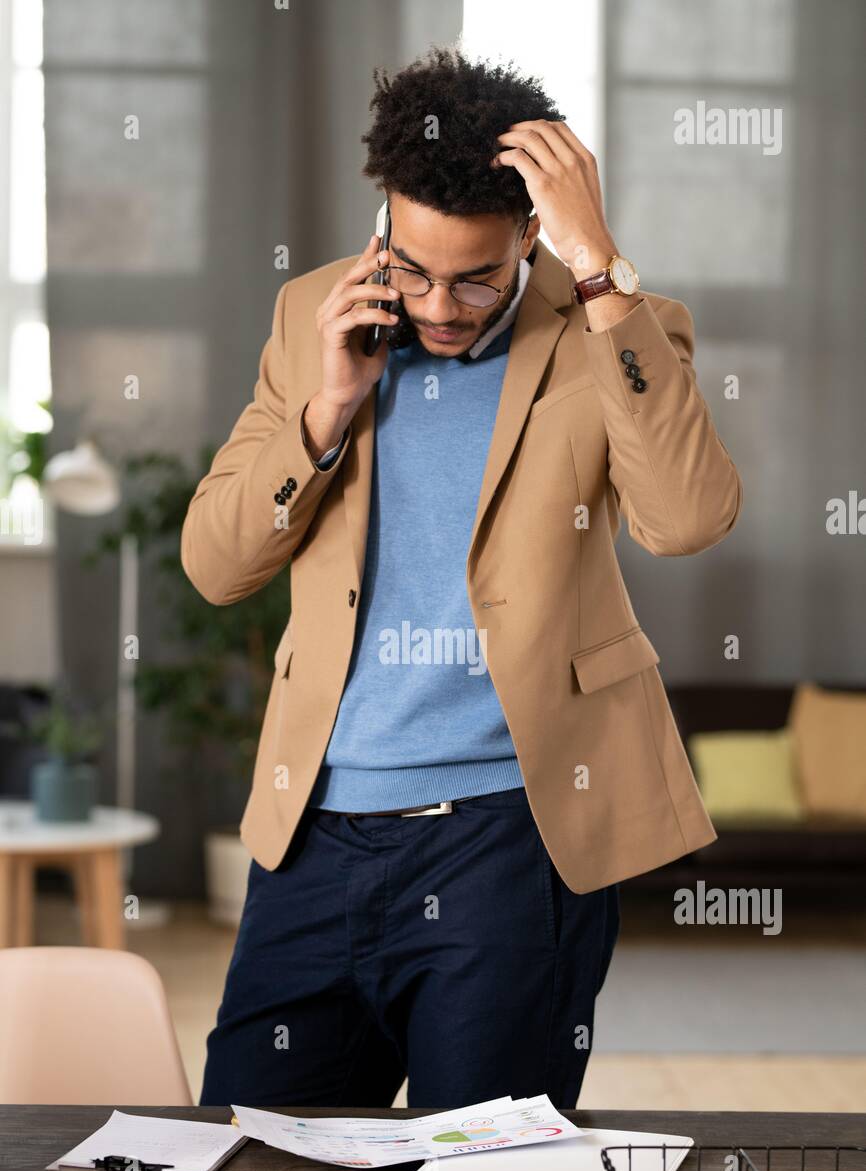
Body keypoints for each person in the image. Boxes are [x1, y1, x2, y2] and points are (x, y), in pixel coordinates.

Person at [182, 48, 742, 1109]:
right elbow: (214, 564)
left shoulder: (611, 325)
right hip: (313, 837)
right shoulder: (313, 314)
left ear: (530, 234)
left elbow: (686, 518)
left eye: (476, 277)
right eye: (412, 268)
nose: (439, 306)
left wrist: (599, 266)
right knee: (256, 1159)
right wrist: (326, 411)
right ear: (383, 227)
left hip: (509, 840)